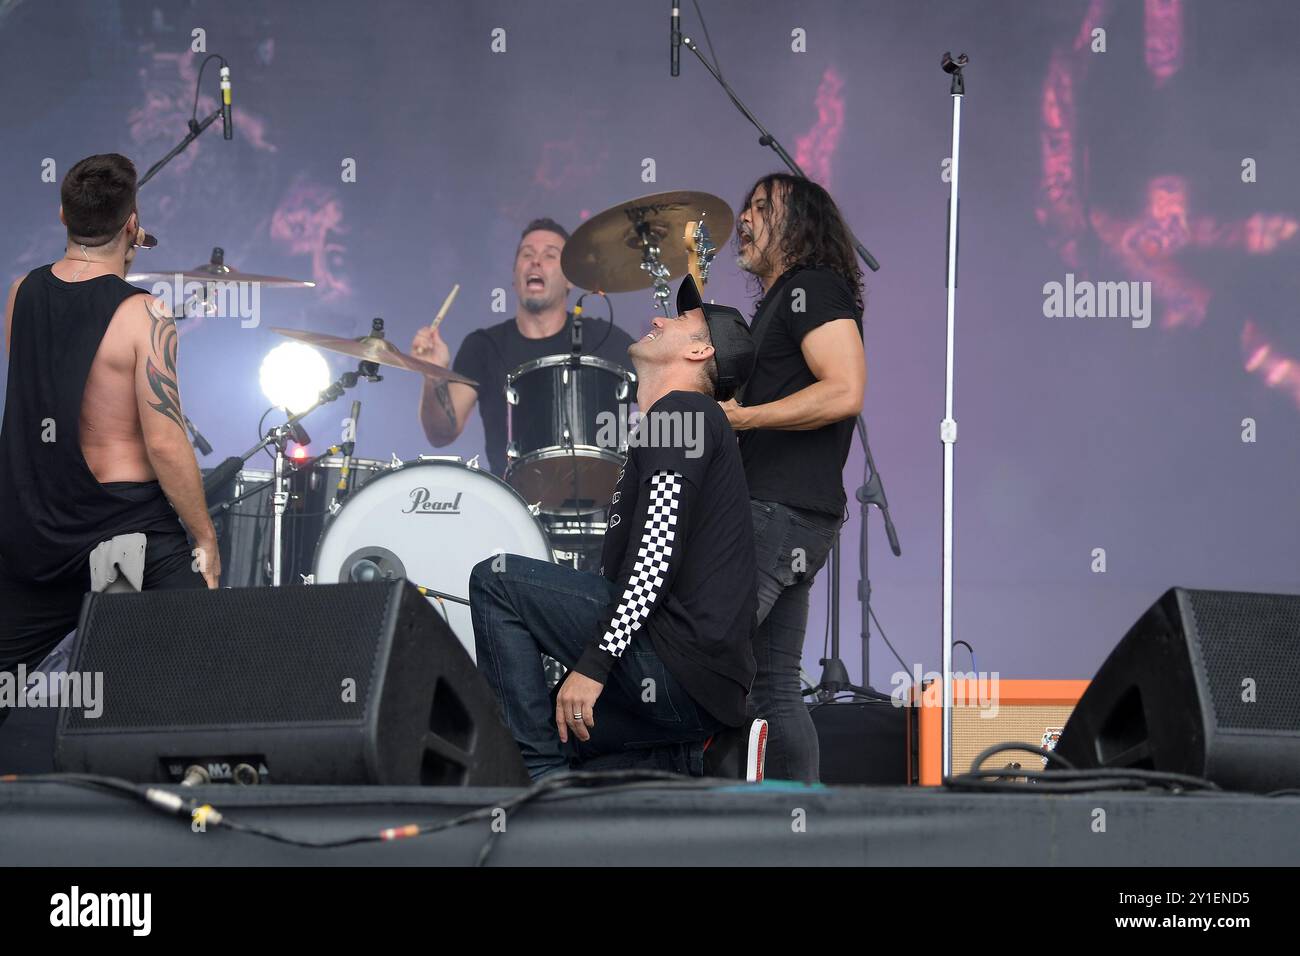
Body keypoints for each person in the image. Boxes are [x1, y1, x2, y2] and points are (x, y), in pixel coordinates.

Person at [468, 275, 760, 780]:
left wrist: (594, 664)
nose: (657, 319)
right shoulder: (683, 422)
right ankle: (700, 759)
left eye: (678, 320)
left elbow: (656, 553)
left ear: (700, 350)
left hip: (677, 666)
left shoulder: (682, 411)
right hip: (701, 694)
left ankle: (537, 785)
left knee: (496, 583)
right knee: (567, 725)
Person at [0, 154, 218, 729]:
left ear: (62, 214)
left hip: (35, 532)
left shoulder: (22, 293)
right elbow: (166, 444)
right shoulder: (146, 315)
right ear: (132, 223)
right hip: (125, 527)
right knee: (211, 661)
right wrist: (203, 536)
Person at [722, 173, 867, 783]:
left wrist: (745, 416)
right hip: (796, 515)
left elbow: (845, 389)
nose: (744, 219)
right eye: (746, 207)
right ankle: (800, 826)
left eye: (761, 207)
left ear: (799, 221)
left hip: (779, 510)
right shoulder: (786, 301)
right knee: (775, 687)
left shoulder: (811, 288)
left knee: (707, 653)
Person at [412, 218, 635, 477]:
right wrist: (432, 373)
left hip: (603, 505)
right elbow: (440, 435)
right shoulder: (484, 346)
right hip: (511, 505)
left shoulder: (602, 336)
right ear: (515, 277)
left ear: (570, 279)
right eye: (527, 254)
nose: (536, 261)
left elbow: (659, 396)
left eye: (550, 255)